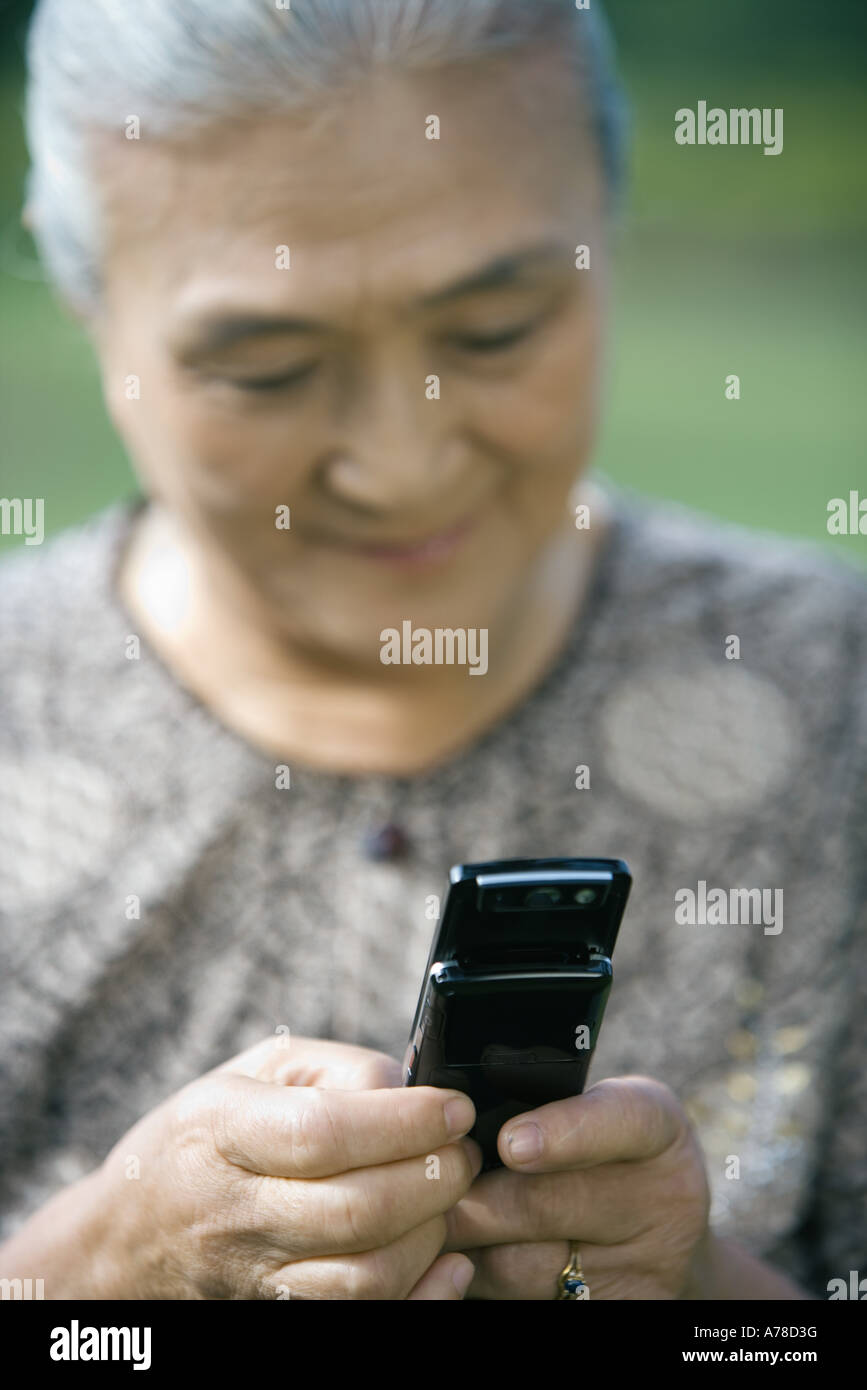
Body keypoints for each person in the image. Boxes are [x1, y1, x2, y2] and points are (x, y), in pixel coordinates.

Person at [0, 0, 864, 1301]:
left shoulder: (836, 696)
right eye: (270, 366)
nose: (402, 464)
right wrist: (90, 1277)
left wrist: (700, 1292)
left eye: (495, 332)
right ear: (86, 299)